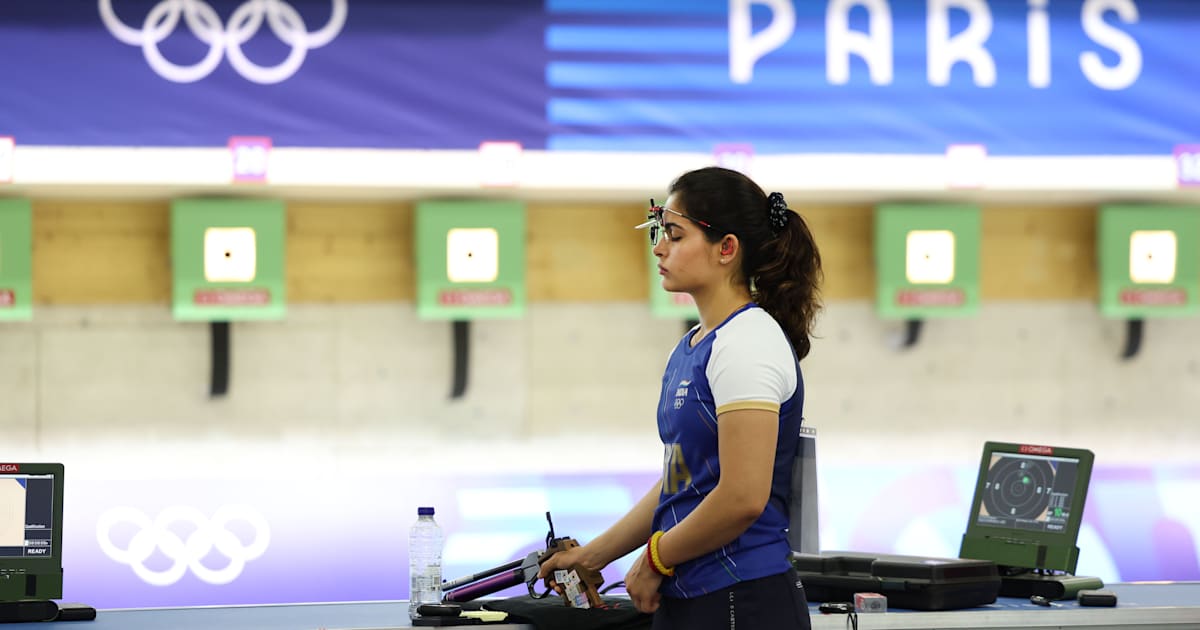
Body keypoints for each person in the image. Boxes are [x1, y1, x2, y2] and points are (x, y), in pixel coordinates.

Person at [538, 166, 823, 629]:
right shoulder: (693, 343)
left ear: (726, 249)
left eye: (674, 234)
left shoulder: (748, 341)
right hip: (692, 595)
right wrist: (594, 556)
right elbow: (682, 481)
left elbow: (741, 497)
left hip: (742, 598)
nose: (658, 246)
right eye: (659, 232)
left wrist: (654, 559)